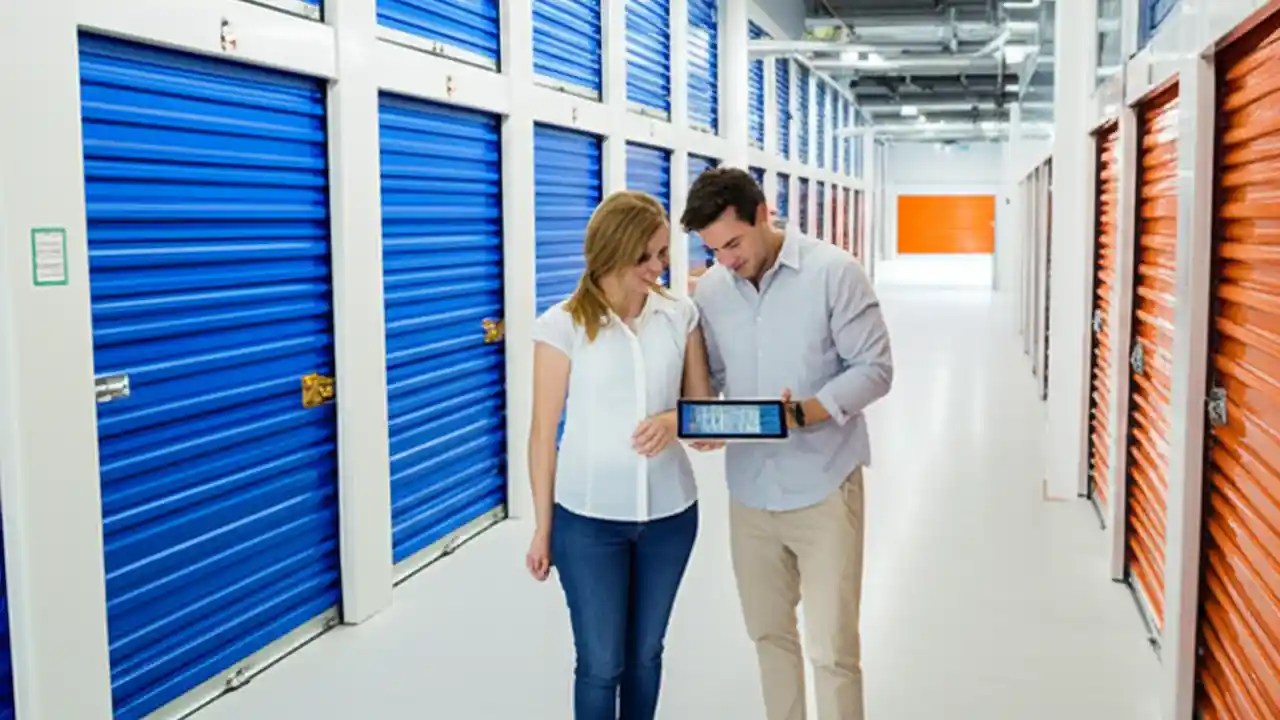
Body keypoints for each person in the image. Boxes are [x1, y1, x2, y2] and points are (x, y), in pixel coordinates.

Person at [681, 168, 894, 720]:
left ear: (762, 215)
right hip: (750, 494)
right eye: (713, 249)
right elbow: (719, 378)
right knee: (769, 638)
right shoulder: (712, 290)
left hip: (823, 485)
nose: (726, 259)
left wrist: (800, 412)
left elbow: (875, 369)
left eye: (734, 243)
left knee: (832, 651)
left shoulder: (834, 273)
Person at [524, 190, 715, 720]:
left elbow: (702, 413)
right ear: (610, 253)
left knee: (645, 654)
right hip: (587, 522)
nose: (658, 267)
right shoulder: (562, 325)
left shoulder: (680, 315)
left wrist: (674, 421)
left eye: (663, 254)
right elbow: (542, 434)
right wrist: (543, 528)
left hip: (670, 515)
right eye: (644, 256)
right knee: (601, 662)